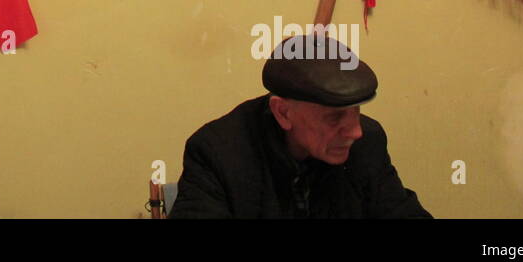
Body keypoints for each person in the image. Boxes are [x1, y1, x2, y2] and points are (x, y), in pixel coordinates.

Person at [170, 34, 430, 218]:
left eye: (356, 112)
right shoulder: (218, 153)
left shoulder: (367, 143)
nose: (355, 131)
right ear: (283, 112)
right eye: (335, 117)